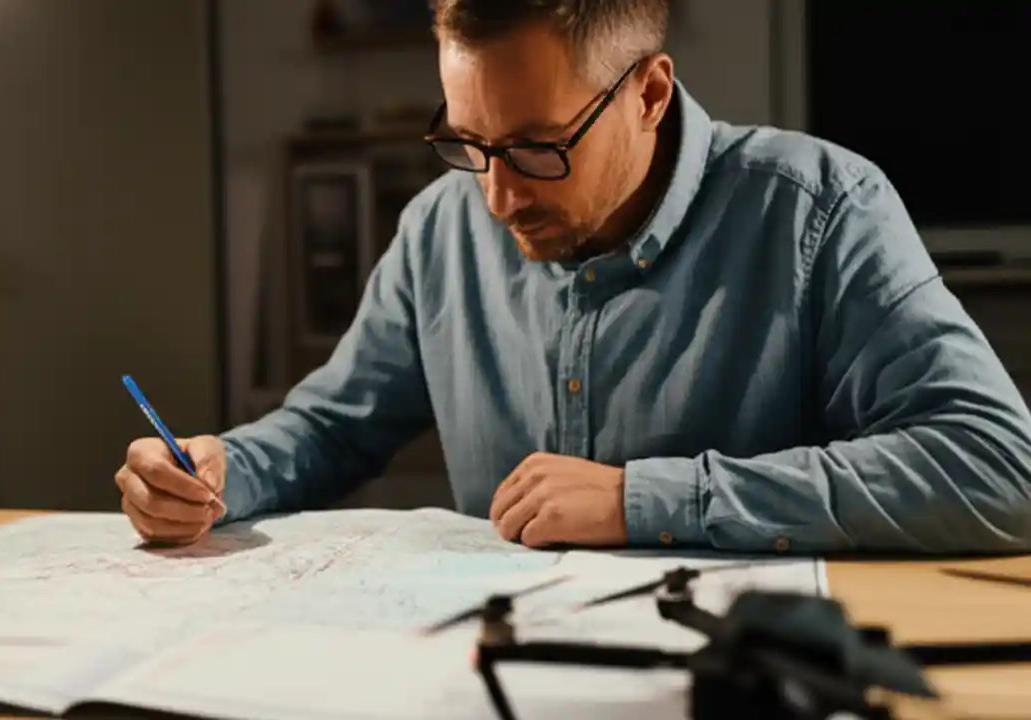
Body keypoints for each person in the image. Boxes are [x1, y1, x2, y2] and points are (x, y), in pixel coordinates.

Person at [115, 0, 1031, 553]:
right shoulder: (440, 227)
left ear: (650, 93)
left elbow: (998, 467)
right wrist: (223, 469)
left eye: (535, 149)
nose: (497, 196)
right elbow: (328, 428)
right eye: (467, 143)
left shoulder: (820, 208)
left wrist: (647, 499)